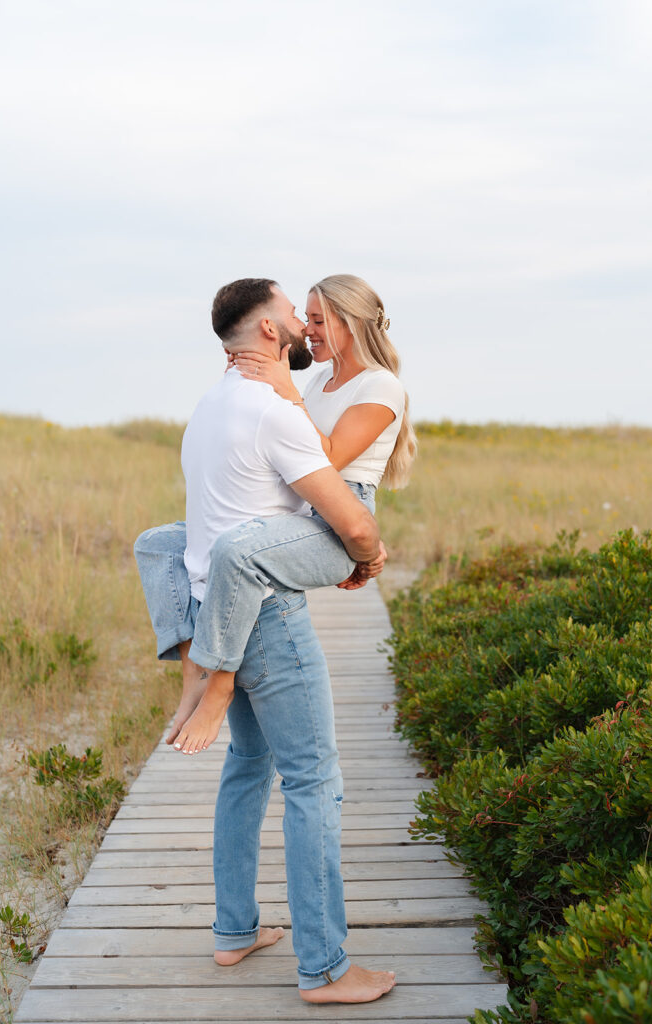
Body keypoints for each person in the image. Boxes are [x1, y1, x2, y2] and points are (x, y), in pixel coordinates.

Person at [138, 277, 396, 1003]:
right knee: (314, 781)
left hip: (211, 605)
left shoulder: (210, 405)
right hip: (267, 616)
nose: (301, 324)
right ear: (269, 334)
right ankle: (325, 969)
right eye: (291, 314)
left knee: (249, 765)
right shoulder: (273, 413)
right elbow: (349, 522)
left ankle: (233, 930)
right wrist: (369, 556)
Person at [134, 274, 416, 756]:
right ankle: (193, 678)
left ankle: (218, 684)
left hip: (339, 499)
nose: (307, 329)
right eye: (304, 317)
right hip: (306, 503)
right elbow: (281, 440)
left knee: (236, 551)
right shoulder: (315, 381)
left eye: (318, 319)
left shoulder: (381, 386)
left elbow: (327, 455)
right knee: (160, 543)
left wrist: (284, 388)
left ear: (349, 323)